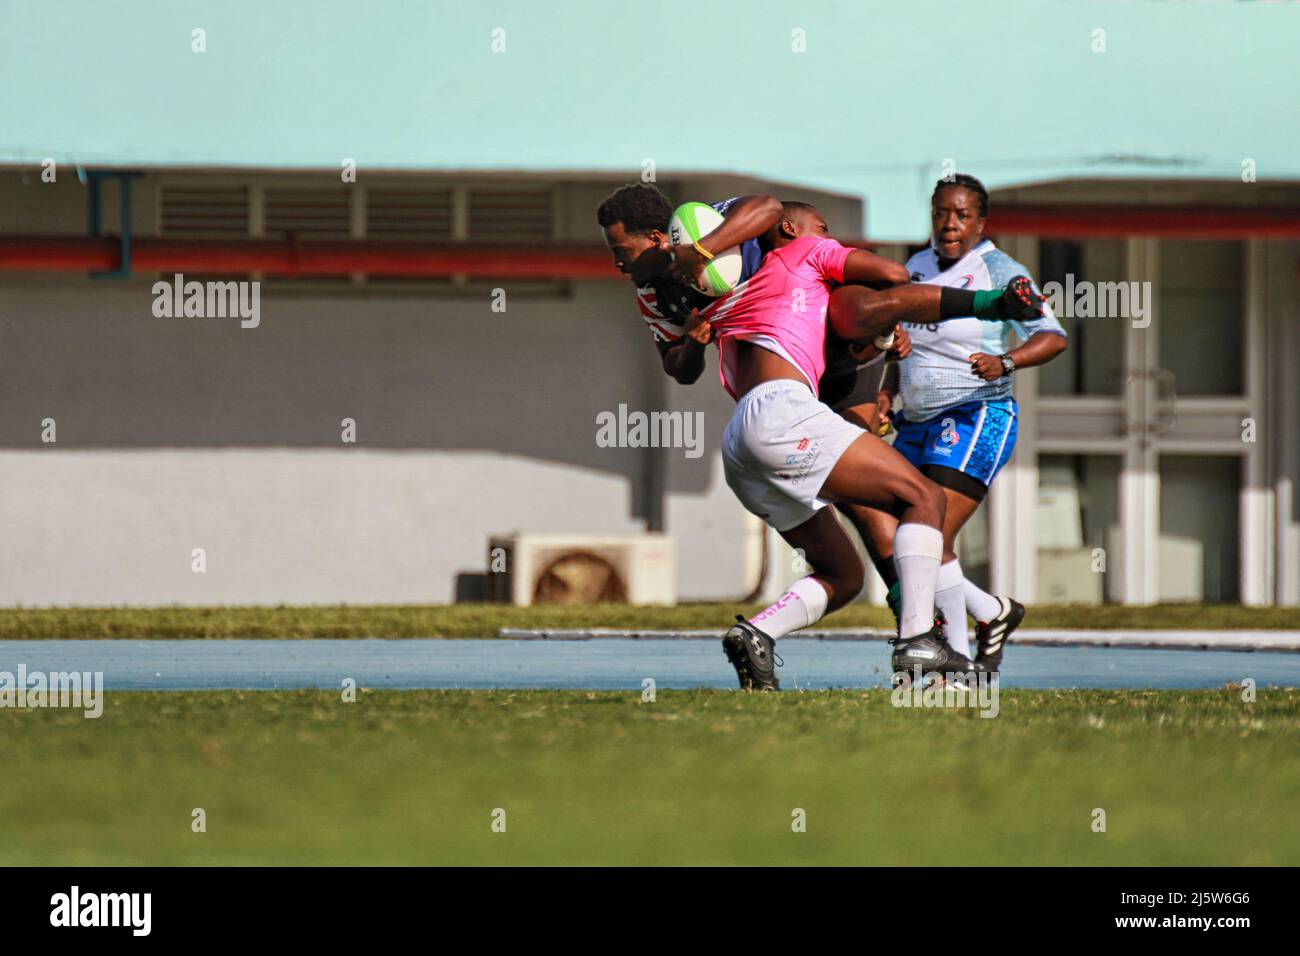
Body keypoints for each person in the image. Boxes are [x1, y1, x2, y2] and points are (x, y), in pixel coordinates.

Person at [691, 201, 1045, 690]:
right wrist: (989, 304)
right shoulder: (807, 254)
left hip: (741, 444)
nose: (830, 236)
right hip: (785, 411)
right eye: (823, 228)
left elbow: (682, 359)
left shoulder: (733, 292)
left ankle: (757, 632)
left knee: (844, 574)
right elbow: (893, 274)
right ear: (791, 230)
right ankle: (921, 640)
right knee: (922, 500)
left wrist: (883, 343)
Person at [858, 174, 1069, 670]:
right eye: (940, 213)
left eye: (961, 215)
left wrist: (1008, 361)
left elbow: (1053, 336)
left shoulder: (1000, 270)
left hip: (976, 415)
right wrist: (888, 388)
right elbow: (901, 340)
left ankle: (949, 658)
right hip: (915, 420)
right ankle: (989, 612)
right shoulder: (914, 266)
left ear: (981, 222)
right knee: (891, 531)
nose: (949, 225)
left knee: (928, 536)